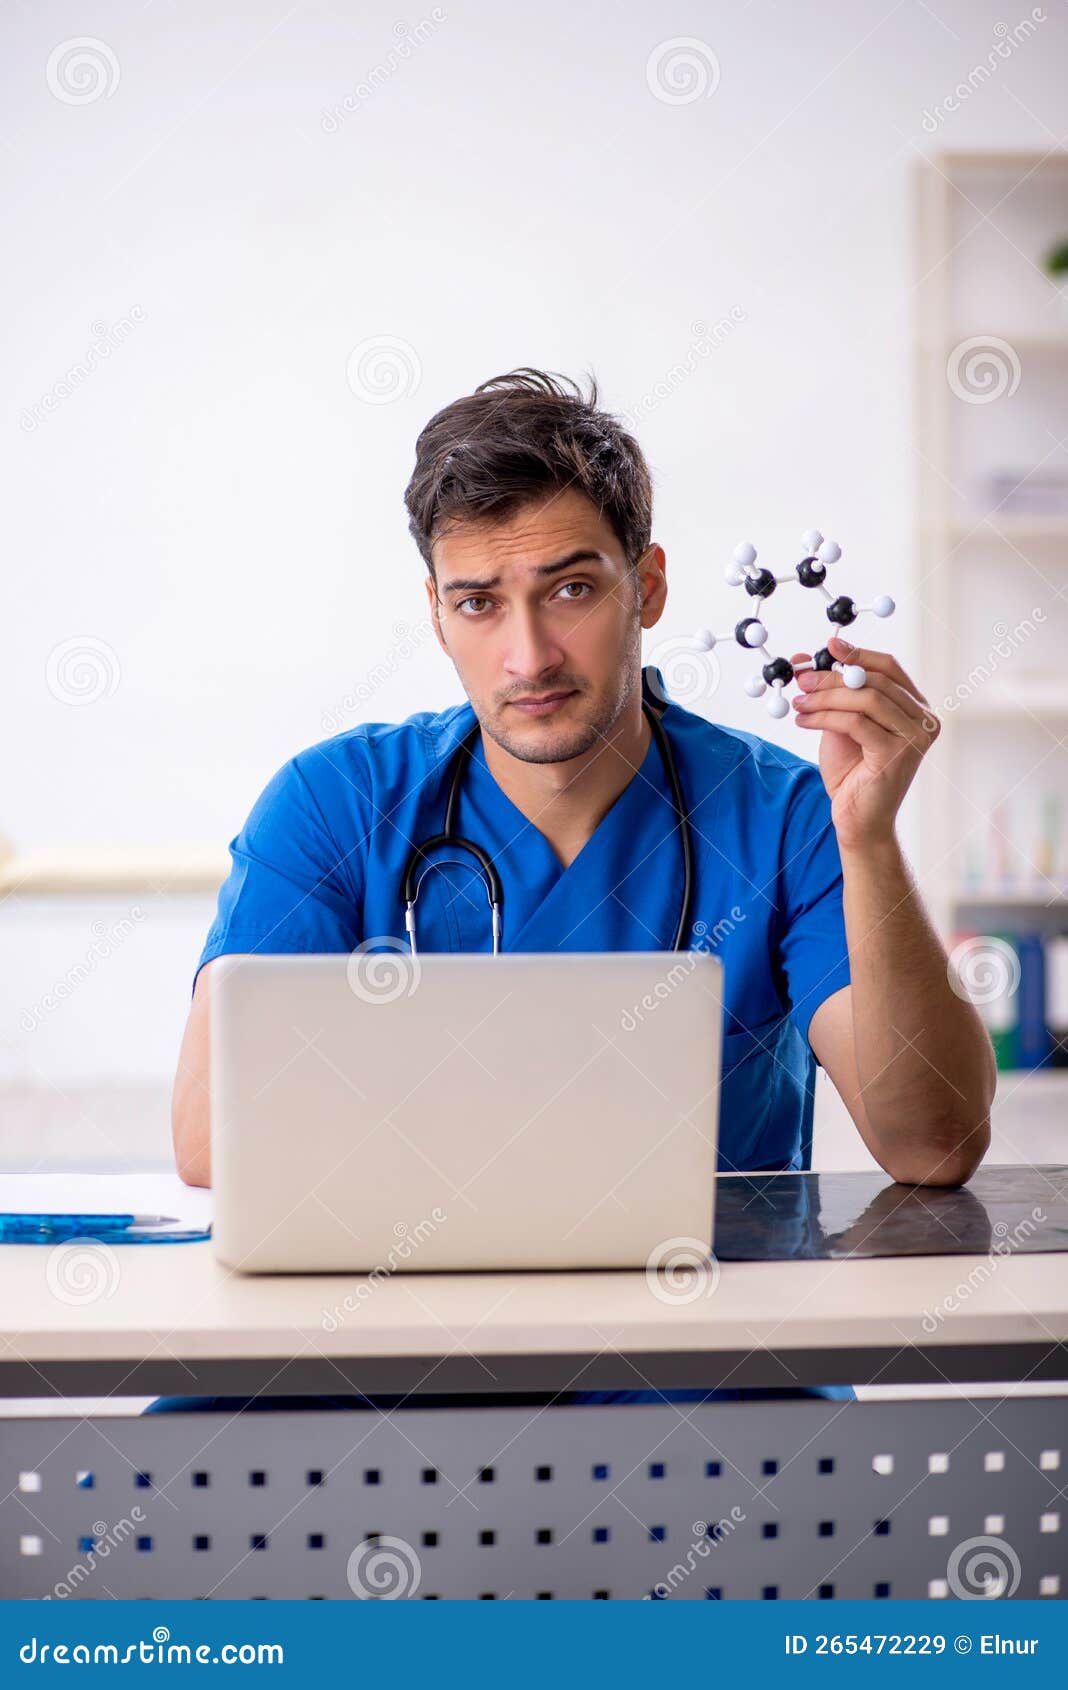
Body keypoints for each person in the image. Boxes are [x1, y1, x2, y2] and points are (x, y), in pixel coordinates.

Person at [163, 367, 996, 1414]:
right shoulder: (336, 803)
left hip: (700, 1362)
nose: (528, 655)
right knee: (201, 1444)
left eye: (571, 589)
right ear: (437, 614)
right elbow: (211, 1146)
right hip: (385, 1355)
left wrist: (868, 837)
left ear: (645, 585)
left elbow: (933, 1145)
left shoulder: (783, 812)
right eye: (479, 602)